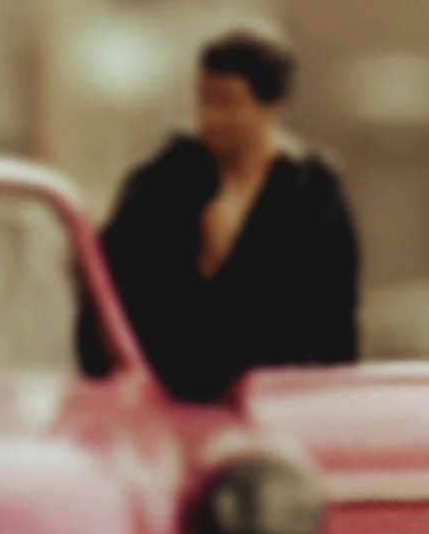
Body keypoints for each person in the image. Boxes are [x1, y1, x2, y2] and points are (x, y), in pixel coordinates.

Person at [101, 25, 363, 404]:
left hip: (278, 400)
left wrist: (335, 397)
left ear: (269, 107)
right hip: (171, 397)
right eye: (204, 100)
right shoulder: (164, 179)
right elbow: (115, 286)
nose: (211, 117)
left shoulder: (311, 191)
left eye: (227, 103)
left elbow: (335, 311)